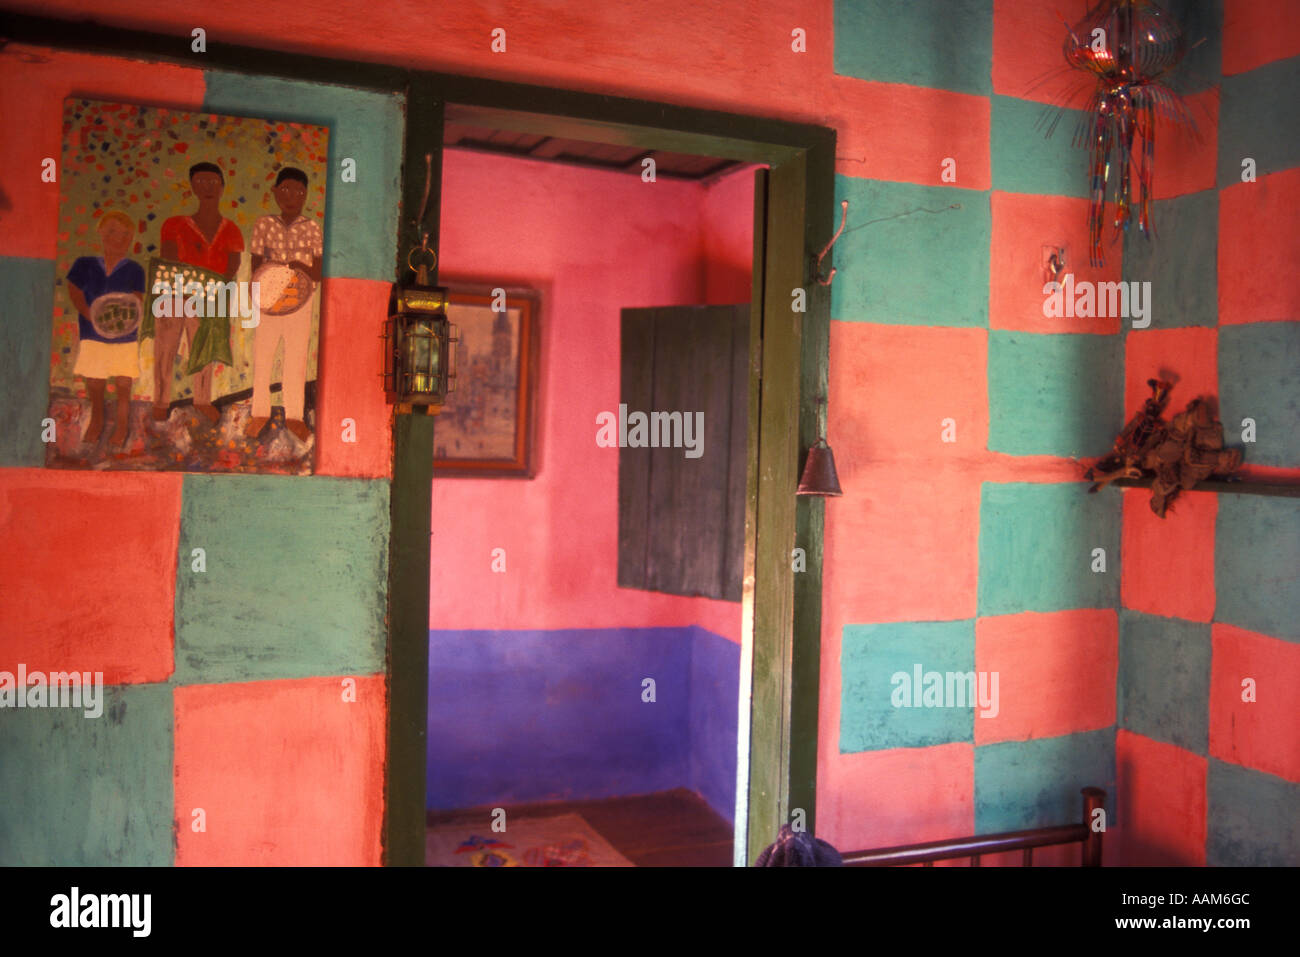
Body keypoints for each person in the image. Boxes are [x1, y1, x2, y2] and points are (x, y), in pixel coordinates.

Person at [156, 161, 243, 423]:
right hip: (173, 297)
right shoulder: (174, 224)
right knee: (165, 349)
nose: (207, 187)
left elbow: (233, 264)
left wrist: (212, 293)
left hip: (209, 300)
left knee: (203, 350)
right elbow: (169, 259)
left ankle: (202, 399)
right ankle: (160, 400)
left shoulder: (231, 230)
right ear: (192, 186)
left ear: (222, 187)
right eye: (201, 182)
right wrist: (187, 290)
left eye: (213, 182)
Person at [245, 167, 323, 442]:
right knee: (264, 355)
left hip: (301, 303)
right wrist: (258, 295)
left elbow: (317, 272)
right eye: (287, 190)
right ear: (275, 192)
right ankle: (259, 413)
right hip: (268, 298)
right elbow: (255, 264)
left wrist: (298, 265)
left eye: (300, 191)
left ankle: (294, 416)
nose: (293, 196)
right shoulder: (264, 224)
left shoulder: (311, 228)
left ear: (306, 196)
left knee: (296, 358)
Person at [66, 210, 146, 447]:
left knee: (123, 384)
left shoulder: (134, 269)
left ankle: (121, 427)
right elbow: (75, 292)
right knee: (96, 382)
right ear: (101, 232)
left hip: (124, 336)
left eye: (124, 234)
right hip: (93, 333)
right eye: (112, 232)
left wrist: (120, 322)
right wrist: (90, 315)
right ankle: (97, 421)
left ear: (130, 239)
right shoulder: (85, 264)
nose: (118, 238)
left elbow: (136, 302)